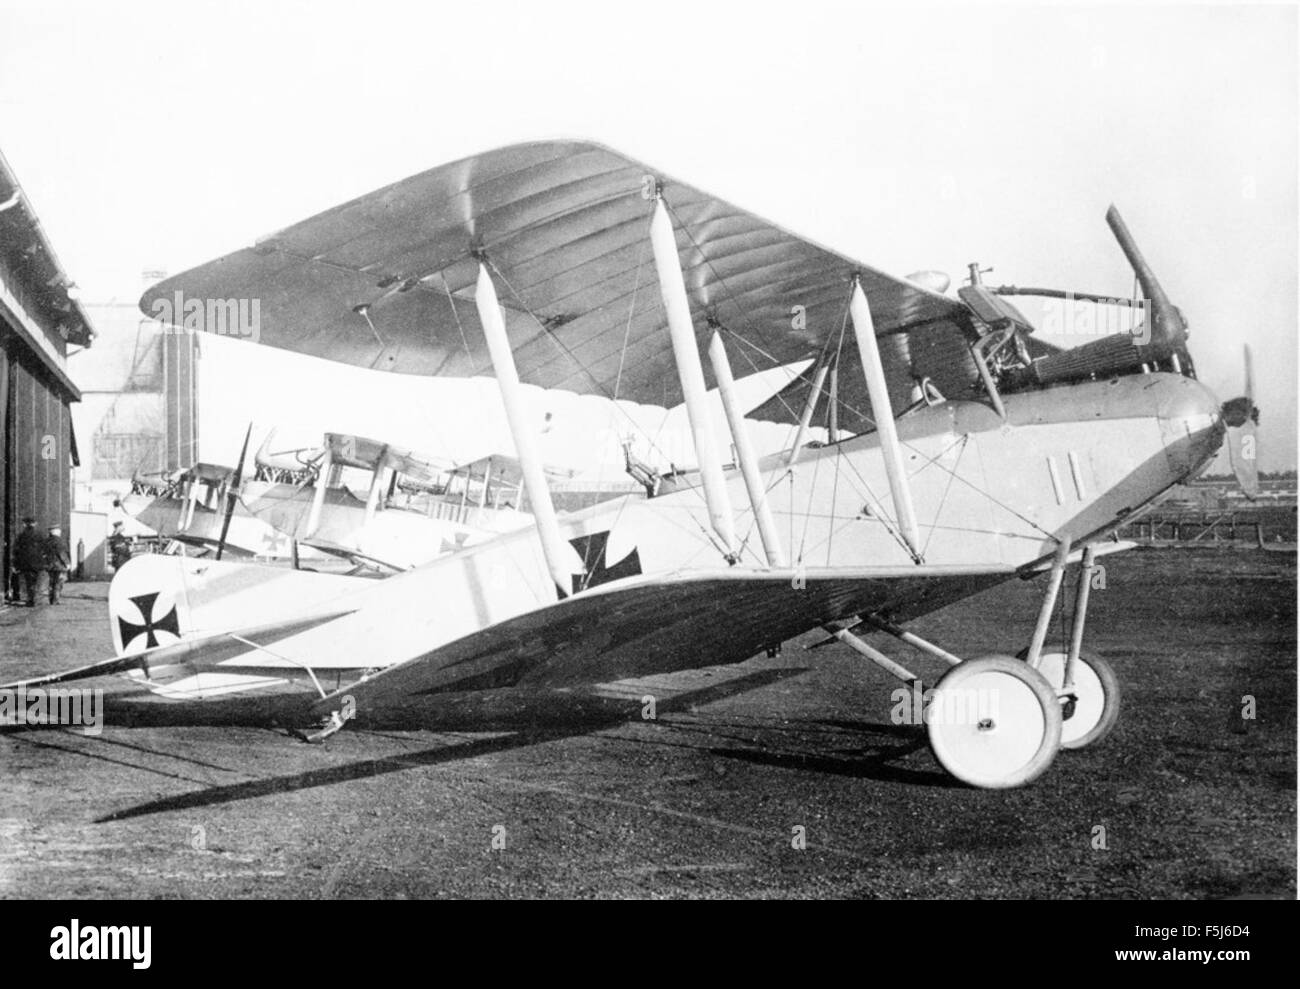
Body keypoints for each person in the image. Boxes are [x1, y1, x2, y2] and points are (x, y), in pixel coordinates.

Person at [13, 516, 45, 607]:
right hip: (37, 563)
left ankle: (30, 599)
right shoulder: (39, 535)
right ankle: (35, 598)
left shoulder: (21, 536)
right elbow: (44, 549)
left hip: (25, 563)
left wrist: (16, 563)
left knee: (28, 581)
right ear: (34, 524)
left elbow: (16, 550)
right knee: (36, 581)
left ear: (25, 525)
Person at [44, 524, 71, 605]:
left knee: (51, 583)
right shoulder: (59, 541)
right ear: (56, 531)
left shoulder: (47, 541)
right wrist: (67, 563)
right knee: (58, 583)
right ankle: (55, 600)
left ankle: (51, 599)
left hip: (49, 565)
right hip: (59, 566)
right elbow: (61, 553)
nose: (60, 532)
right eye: (59, 530)